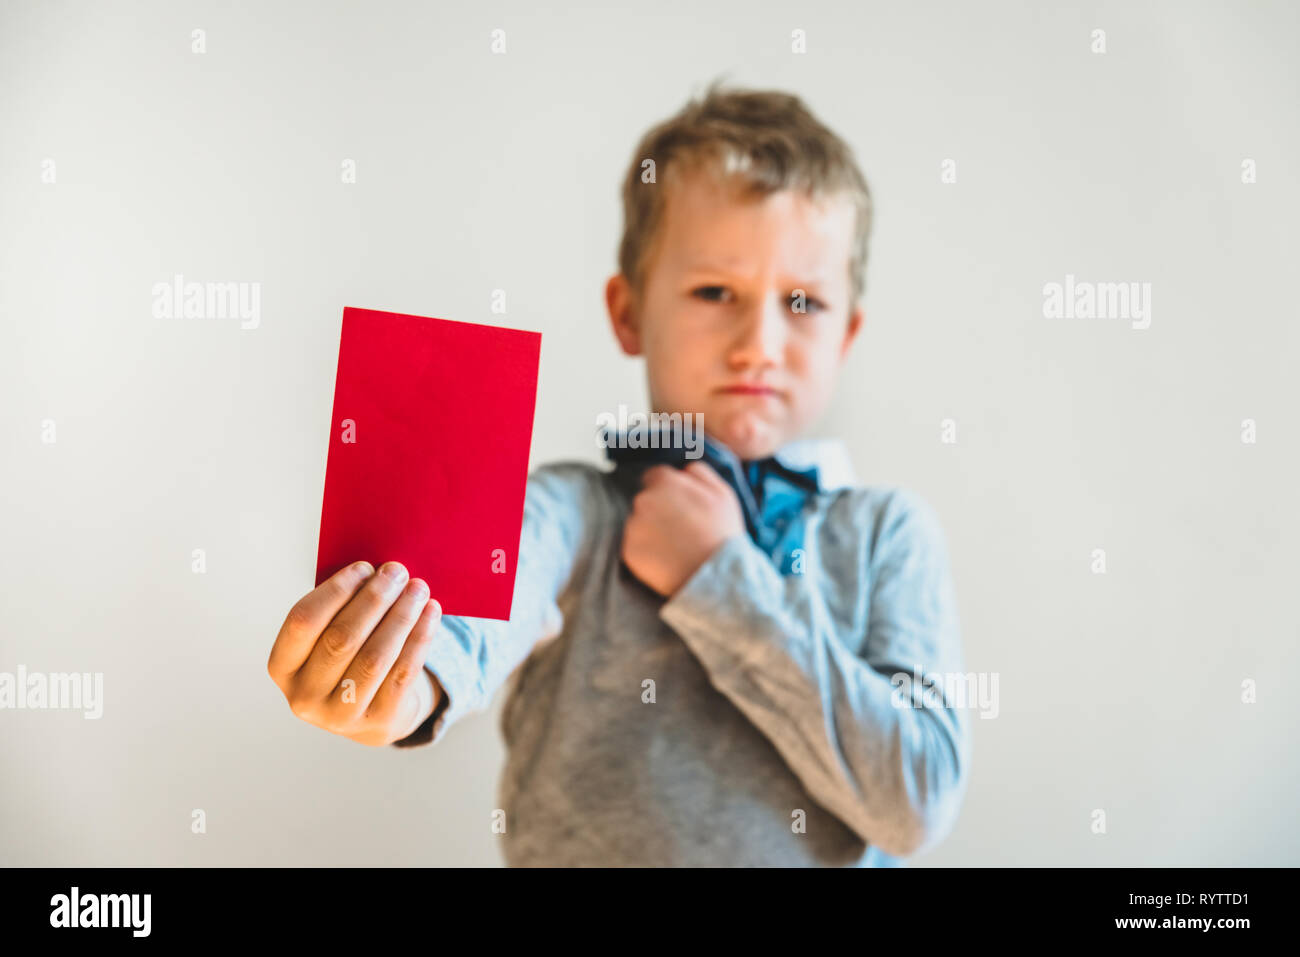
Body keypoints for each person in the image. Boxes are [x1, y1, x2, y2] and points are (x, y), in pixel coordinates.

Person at [266, 79, 971, 866]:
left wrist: (718, 577)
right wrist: (395, 688)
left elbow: (919, 798)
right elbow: (468, 630)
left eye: (802, 301)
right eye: (714, 291)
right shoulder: (574, 512)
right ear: (628, 311)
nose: (760, 343)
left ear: (848, 333)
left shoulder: (888, 535)